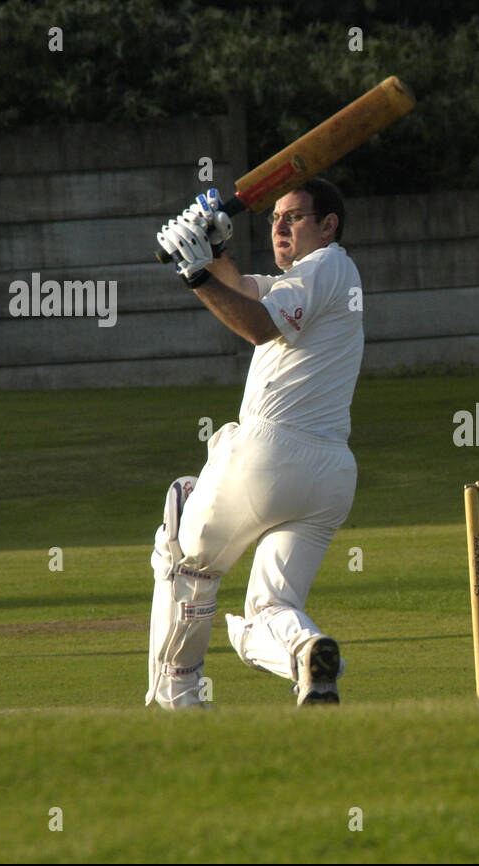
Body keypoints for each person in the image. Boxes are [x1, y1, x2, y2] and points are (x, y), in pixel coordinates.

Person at [146, 178, 363, 708]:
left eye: (294, 217)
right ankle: (306, 653)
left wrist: (195, 273)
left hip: (272, 454)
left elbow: (258, 327)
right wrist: (216, 253)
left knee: (184, 549)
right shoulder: (316, 279)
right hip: (330, 476)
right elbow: (243, 292)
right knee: (270, 606)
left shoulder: (328, 264)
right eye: (273, 218)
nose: (280, 226)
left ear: (329, 225)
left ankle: (178, 695)